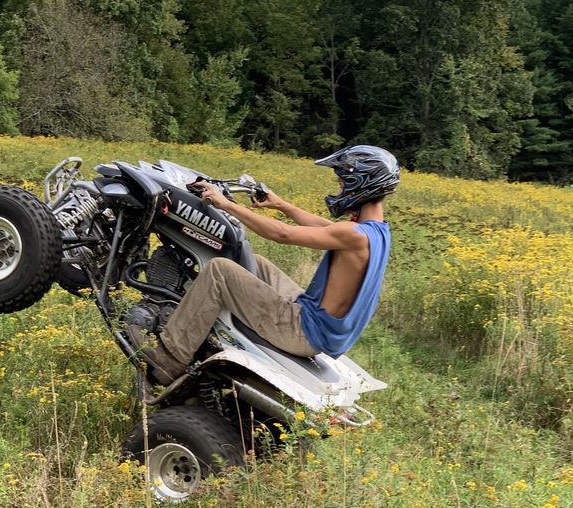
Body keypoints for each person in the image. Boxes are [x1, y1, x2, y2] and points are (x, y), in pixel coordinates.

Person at [132, 145, 399, 386]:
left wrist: (225, 204)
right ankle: (215, 322)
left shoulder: (353, 234)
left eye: (342, 183)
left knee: (220, 271)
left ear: (359, 184)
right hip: (317, 323)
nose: (338, 190)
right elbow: (324, 226)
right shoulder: (374, 232)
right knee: (256, 263)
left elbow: (281, 235)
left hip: (303, 330)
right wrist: (280, 204)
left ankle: (168, 361)